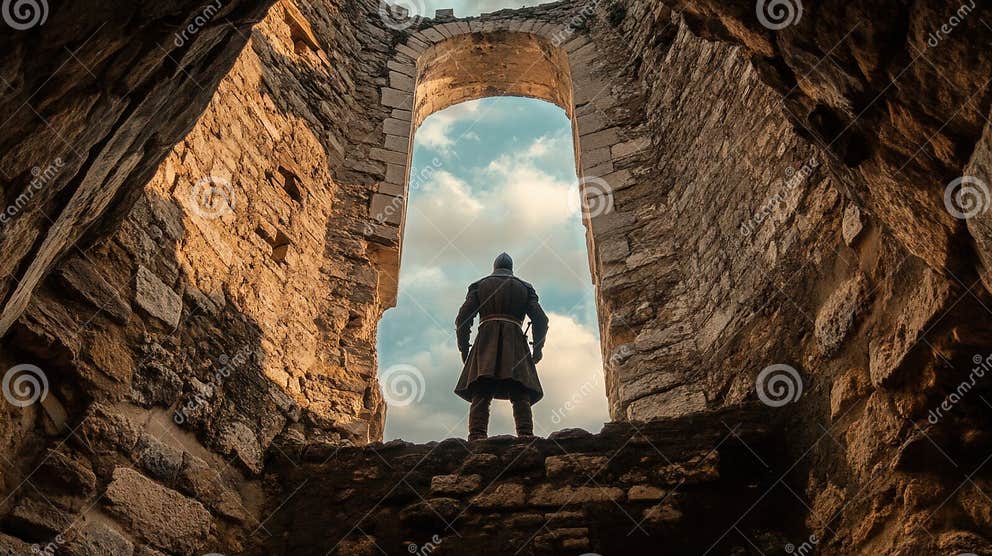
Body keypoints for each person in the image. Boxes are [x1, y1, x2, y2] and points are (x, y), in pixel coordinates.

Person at [454, 253, 549, 441]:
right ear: (511, 268)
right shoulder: (525, 288)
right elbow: (541, 319)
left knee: (482, 388)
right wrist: (537, 349)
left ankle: (477, 435)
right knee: (520, 390)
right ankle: (525, 435)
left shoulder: (479, 285)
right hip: (515, 341)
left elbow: (462, 319)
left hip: (485, 340)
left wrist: (464, 348)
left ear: (494, 266)